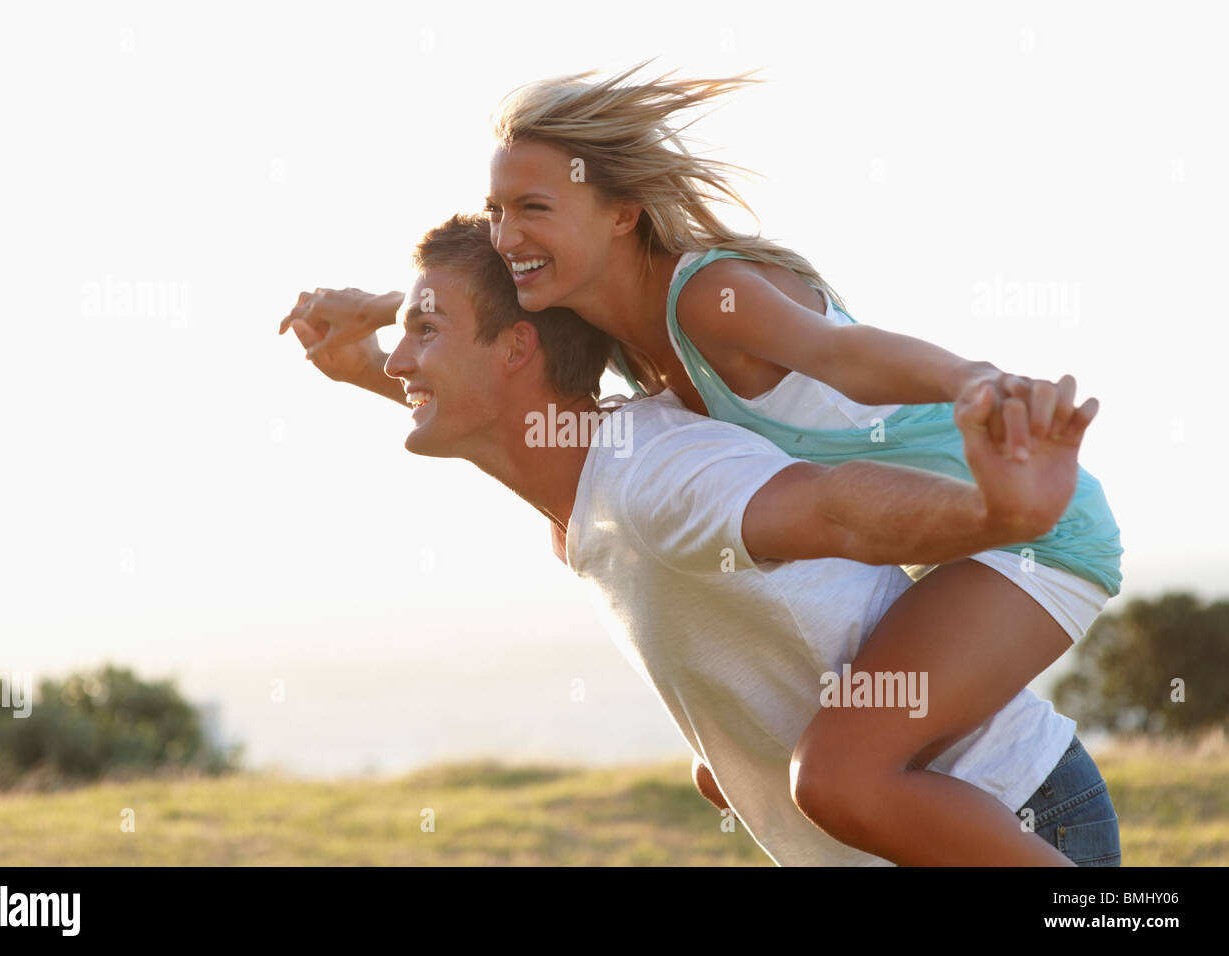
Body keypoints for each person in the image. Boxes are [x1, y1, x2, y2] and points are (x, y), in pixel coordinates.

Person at [286, 62, 1123, 864]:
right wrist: (383, 316)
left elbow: (843, 354)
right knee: (750, 760)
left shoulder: (706, 297)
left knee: (838, 774)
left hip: (1031, 526)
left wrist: (979, 382)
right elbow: (494, 370)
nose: (507, 234)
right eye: (494, 209)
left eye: (532, 206)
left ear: (622, 212)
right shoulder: (608, 332)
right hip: (960, 527)